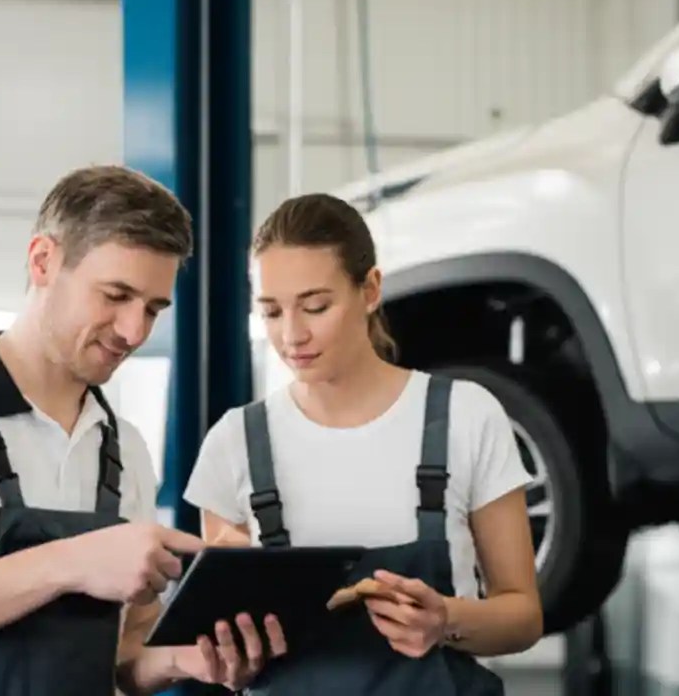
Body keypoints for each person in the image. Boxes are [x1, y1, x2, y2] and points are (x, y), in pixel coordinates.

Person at [0, 165, 282, 696]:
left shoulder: (123, 449)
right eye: (115, 296)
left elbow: (123, 654)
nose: (134, 331)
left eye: (153, 309)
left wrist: (183, 661)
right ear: (43, 261)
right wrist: (70, 563)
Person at [182, 193, 543, 693]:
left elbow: (523, 616)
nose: (292, 335)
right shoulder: (234, 442)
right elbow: (224, 644)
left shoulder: (465, 416)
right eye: (271, 312)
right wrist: (230, 661)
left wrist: (446, 619)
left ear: (370, 289)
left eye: (315, 306)